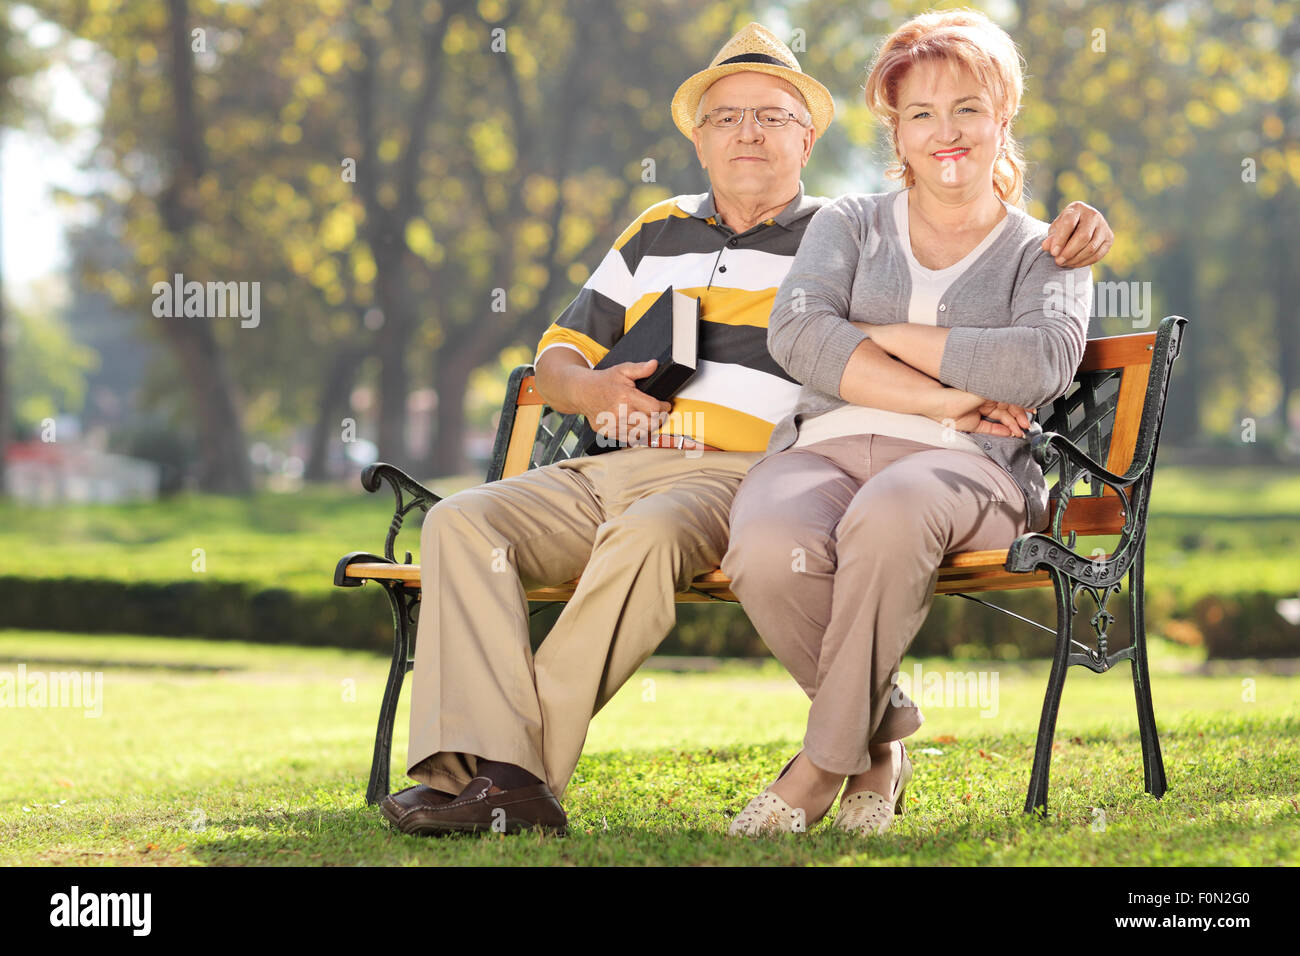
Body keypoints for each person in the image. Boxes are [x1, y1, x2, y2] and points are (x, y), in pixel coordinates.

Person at [379, 21, 1111, 837]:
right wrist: (593, 393)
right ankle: (462, 773)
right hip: (618, 465)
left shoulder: (841, 229)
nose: (748, 133)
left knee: (650, 537)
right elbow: (558, 357)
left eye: (772, 115)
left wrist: (1075, 226)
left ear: (809, 138)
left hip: (735, 473)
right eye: (726, 118)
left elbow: (973, 281)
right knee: (460, 522)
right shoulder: (656, 229)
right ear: (697, 140)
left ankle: (516, 777)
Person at [722, 8, 1096, 837]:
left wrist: (881, 337)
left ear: (1003, 115)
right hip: (824, 449)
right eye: (920, 113)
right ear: (897, 130)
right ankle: (881, 745)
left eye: (967, 107)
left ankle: (819, 769)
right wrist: (947, 393)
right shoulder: (848, 224)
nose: (946, 132)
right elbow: (796, 333)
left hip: (972, 467)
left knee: (891, 510)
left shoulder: (1048, 251)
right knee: (761, 544)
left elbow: (1039, 362)